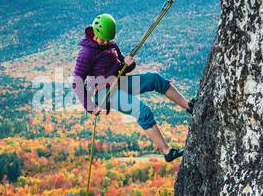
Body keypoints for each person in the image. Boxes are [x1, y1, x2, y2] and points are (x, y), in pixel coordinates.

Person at [72, 12, 193, 162]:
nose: (104, 42)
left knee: (154, 79)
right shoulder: (86, 53)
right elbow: (77, 82)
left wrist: (128, 64)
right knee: (142, 111)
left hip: (118, 81)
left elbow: (122, 66)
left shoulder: (111, 44)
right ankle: (167, 151)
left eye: (107, 39)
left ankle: (188, 106)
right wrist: (90, 106)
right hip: (104, 92)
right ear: (94, 33)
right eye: (102, 39)